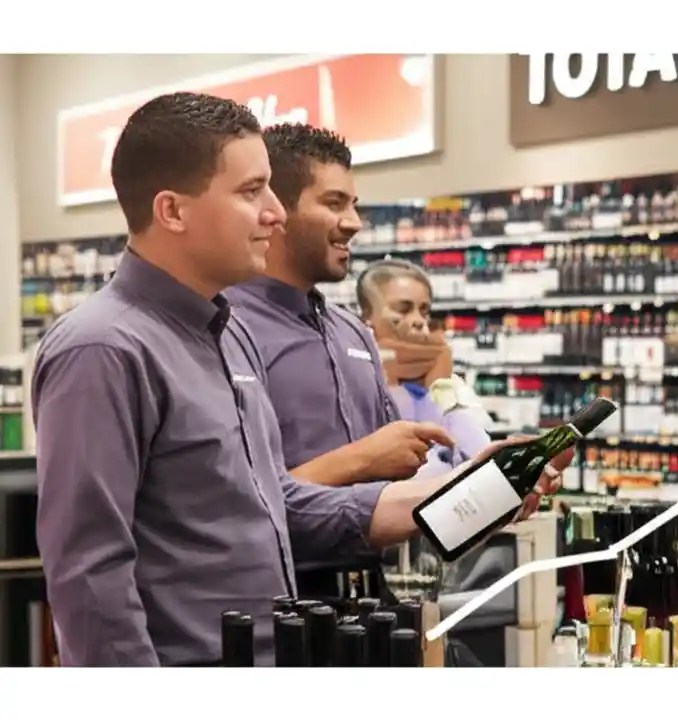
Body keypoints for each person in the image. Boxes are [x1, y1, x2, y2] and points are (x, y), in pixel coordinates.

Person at [31, 92, 568, 667]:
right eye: (250, 191)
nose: (275, 212)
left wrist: (467, 489)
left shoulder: (226, 335)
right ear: (172, 211)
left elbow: (277, 503)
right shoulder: (102, 349)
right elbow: (90, 575)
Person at [224, 124, 495, 603]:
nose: (353, 222)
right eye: (333, 203)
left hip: (375, 600)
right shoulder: (227, 330)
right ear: (277, 211)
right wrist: (365, 459)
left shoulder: (351, 334)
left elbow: (401, 482)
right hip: (282, 606)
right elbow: (242, 501)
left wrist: (493, 494)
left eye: (354, 205)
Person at [355, 258, 493, 441]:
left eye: (424, 311)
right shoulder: (353, 382)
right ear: (366, 318)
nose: (419, 321)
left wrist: (439, 390)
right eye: (403, 310)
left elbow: (477, 451)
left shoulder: (450, 383)